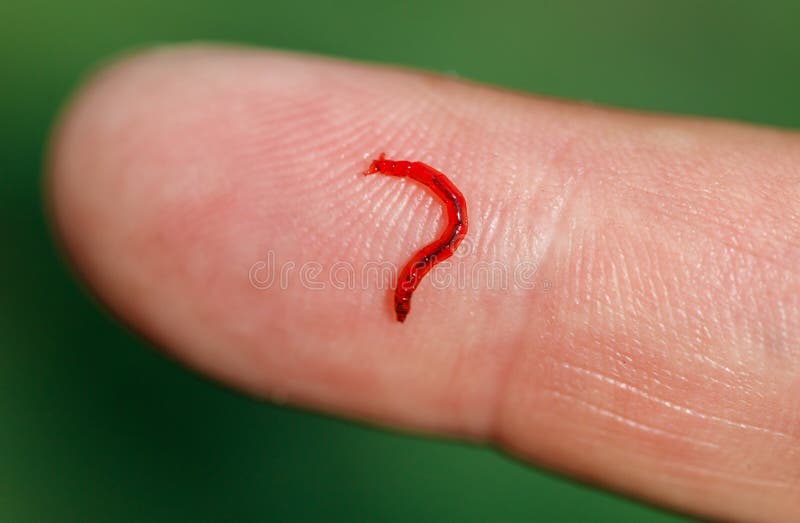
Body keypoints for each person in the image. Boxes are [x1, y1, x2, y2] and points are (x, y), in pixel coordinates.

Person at [47, 45, 800, 523]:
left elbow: (449, 209)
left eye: (402, 295)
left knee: (448, 227)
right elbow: (447, 205)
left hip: (440, 212)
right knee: (446, 225)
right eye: (403, 295)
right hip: (434, 205)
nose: (401, 292)